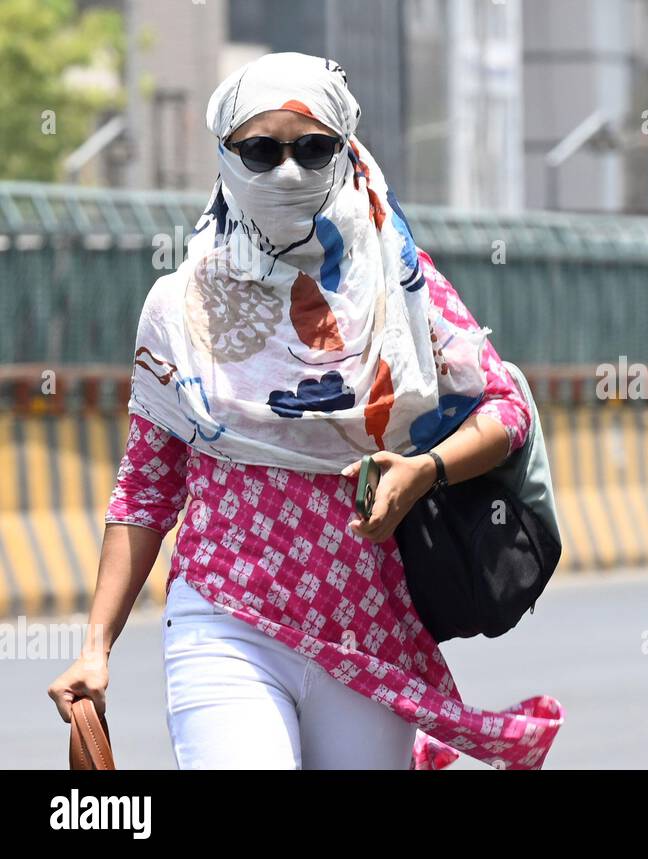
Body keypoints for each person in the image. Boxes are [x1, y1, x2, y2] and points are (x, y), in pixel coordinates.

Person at [47, 52, 563, 770]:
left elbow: (507, 411)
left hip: (368, 635)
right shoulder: (180, 308)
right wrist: (95, 646)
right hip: (225, 617)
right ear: (226, 155)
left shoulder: (400, 285)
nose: (287, 172)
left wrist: (425, 469)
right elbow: (145, 490)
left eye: (312, 148)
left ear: (344, 151)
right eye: (260, 151)